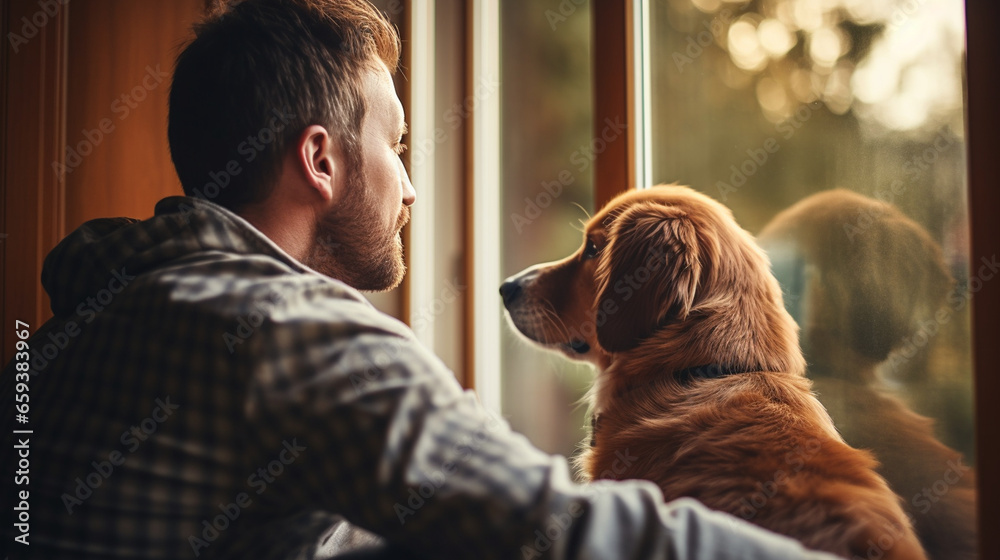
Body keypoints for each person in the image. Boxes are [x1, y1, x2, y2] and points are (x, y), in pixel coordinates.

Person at [1, 1, 840, 558]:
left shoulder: (82, 323)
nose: (409, 186)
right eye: (396, 146)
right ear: (321, 160)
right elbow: (560, 534)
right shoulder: (290, 333)